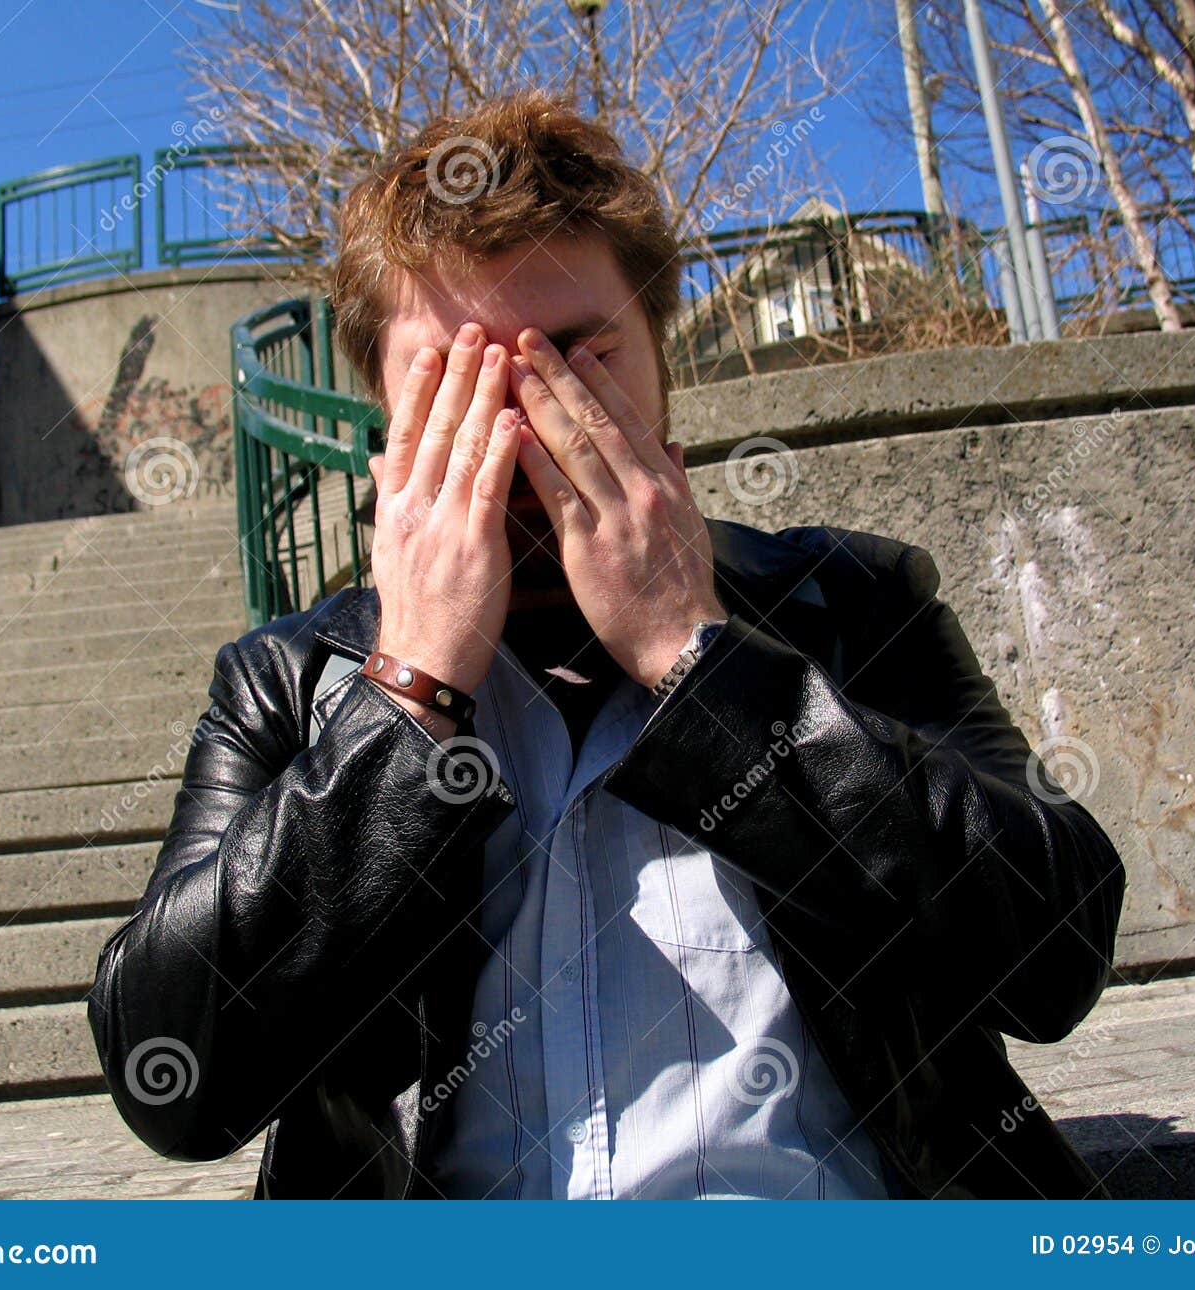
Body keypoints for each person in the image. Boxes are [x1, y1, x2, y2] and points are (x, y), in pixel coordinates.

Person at [87, 90, 1125, 1199]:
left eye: (576, 365)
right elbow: (175, 1087)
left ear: (662, 374)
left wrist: (701, 664)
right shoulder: (288, 686)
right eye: (459, 385)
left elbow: (1052, 959)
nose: (528, 429)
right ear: (388, 429)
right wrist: (405, 697)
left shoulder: (853, 603)